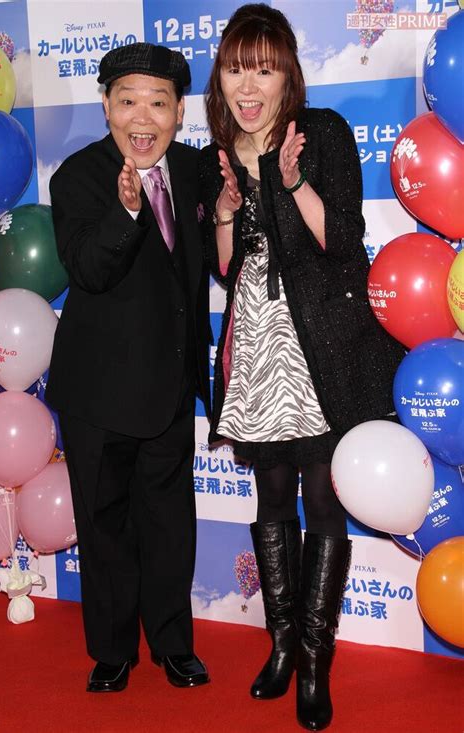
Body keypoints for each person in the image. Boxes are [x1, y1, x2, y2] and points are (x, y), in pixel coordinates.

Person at [199, 5, 405, 730]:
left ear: (288, 74)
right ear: (220, 79)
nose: (248, 86)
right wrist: (227, 209)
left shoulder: (323, 135)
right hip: (258, 348)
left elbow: (344, 241)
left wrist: (291, 182)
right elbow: (226, 270)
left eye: (264, 69)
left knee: (321, 498)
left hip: (320, 346)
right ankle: (282, 644)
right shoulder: (219, 153)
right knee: (271, 496)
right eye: (235, 69)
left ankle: (316, 658)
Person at [46, 42, 212, 694]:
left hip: (170, 387)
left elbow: (207, 267)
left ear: (178, 112)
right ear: (107, 107)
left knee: (170, 524)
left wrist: (227, 215)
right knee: (105, 525)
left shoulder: (195, 170)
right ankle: (112, 651)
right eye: (127, 102)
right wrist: (128, 211)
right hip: (99, 390)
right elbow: (89, 269)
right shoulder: (78, 177)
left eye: (158, 103)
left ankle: (174, 644)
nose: (143, 118)